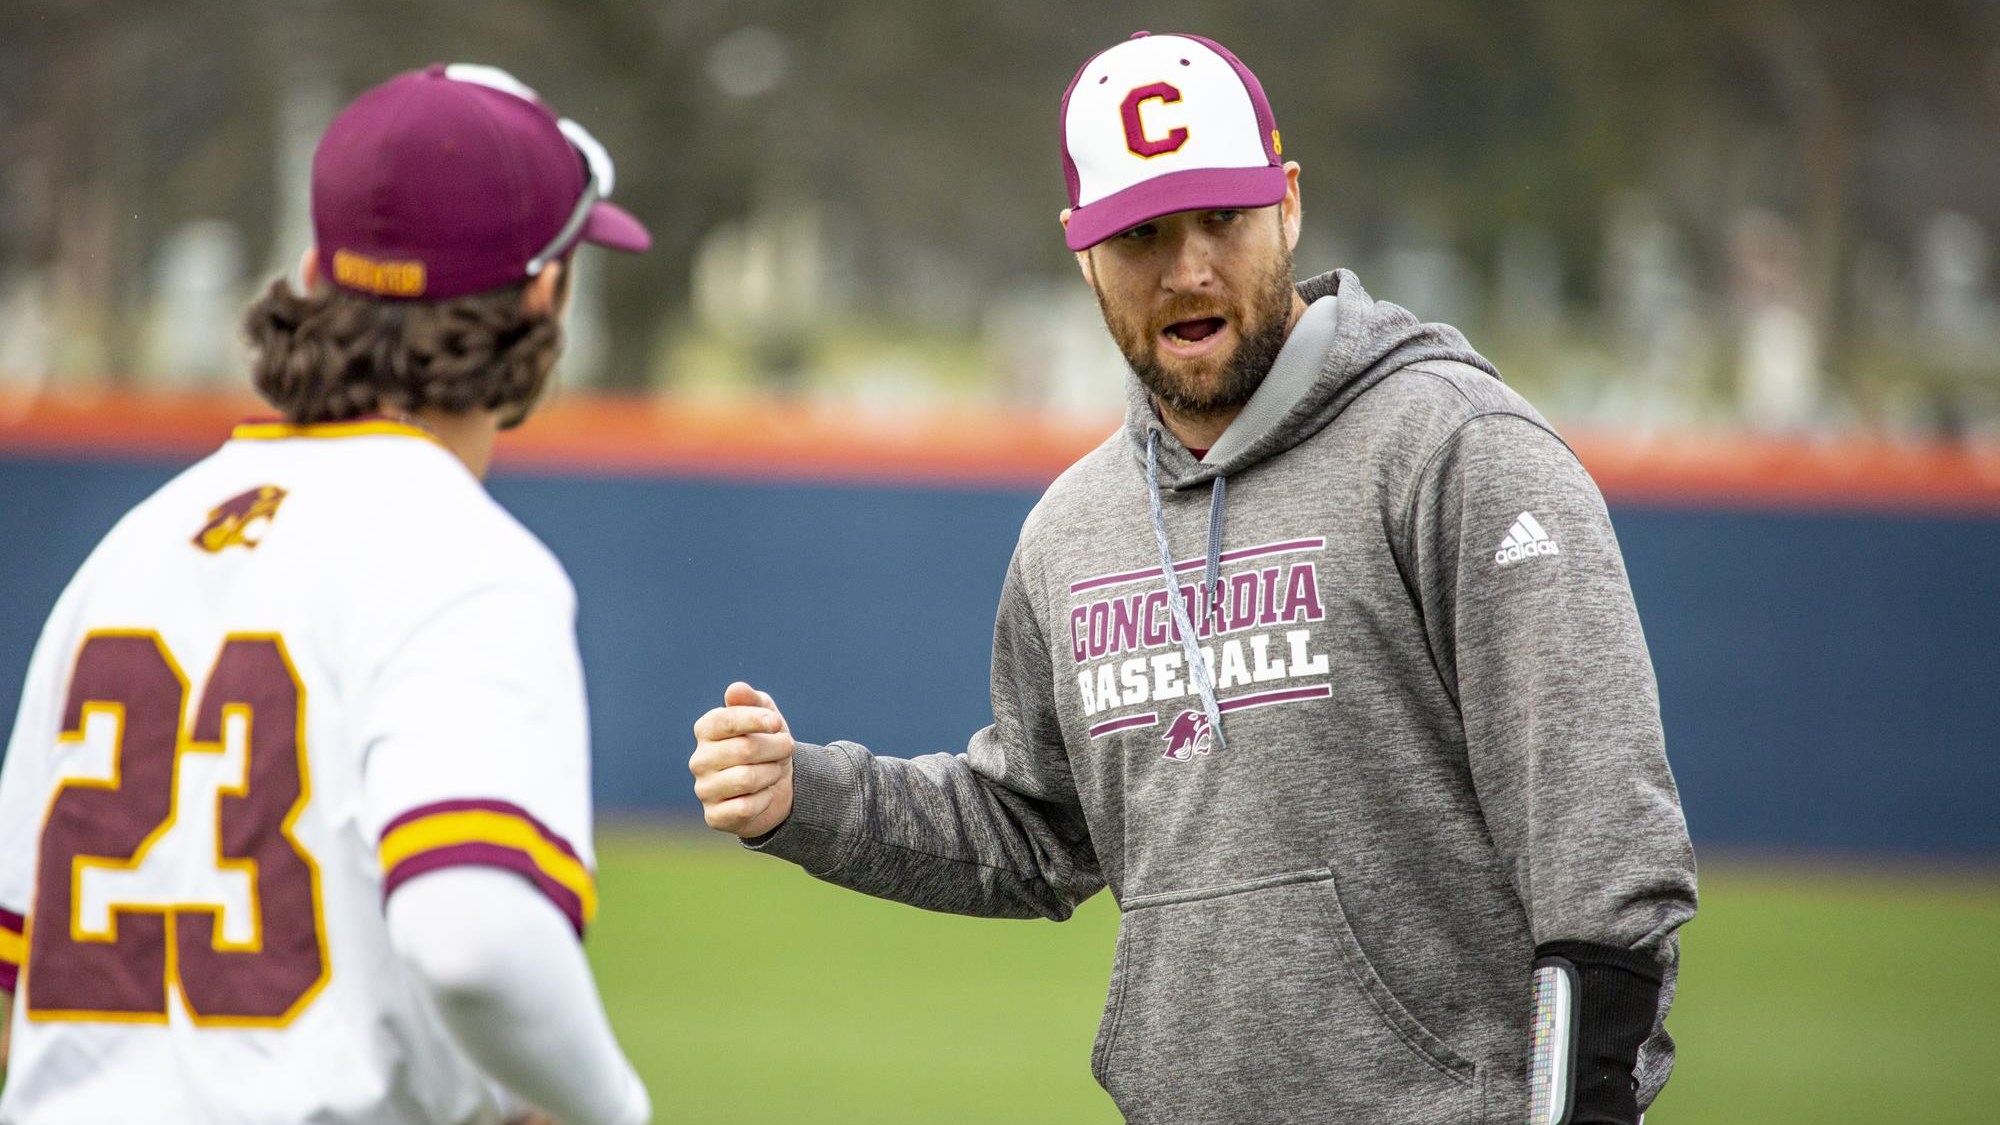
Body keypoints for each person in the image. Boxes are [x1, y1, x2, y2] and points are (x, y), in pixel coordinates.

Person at [689, 30, 1697, 1125]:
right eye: (1138, 235)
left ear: (1288, 205)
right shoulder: (1072, 530)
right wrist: (807, 799)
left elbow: (1604, 867)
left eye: (1220, 215)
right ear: (1081, 257)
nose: (1187, 269)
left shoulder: (1457, 453)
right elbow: (1036, 832)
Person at [0, 64, 652, 1125]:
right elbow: (474, 936)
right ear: (542, 296)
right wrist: (607, 1108)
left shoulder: (126, 551)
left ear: (313, 273)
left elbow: (23, 962)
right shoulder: (465, 558)